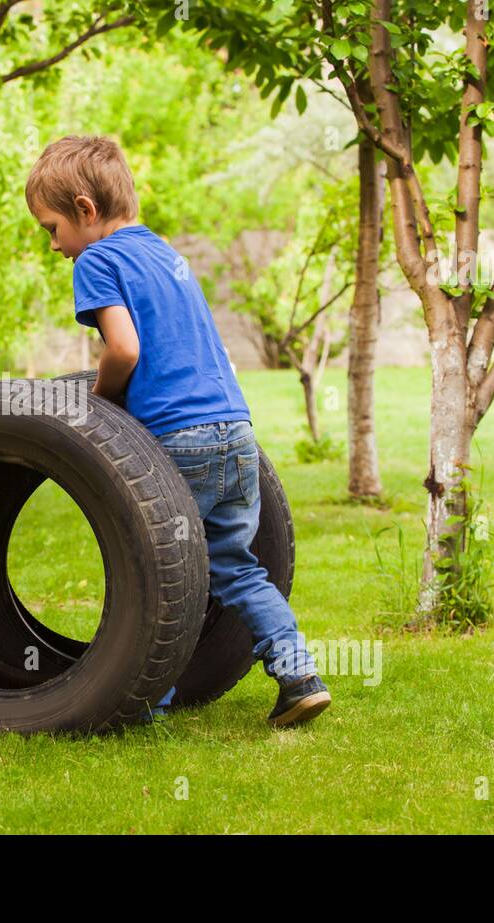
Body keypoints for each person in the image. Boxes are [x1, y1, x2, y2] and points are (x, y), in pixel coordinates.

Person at [24, 135, 331, 727]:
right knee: (233, 566)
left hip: (178, 441)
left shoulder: (97, 260)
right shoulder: (165, 253)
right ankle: (299, 674)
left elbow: (123, 348)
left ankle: (145, 703)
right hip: (236, 433)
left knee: (158, 575)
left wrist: (103, 404)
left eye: (51, 227)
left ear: (85, 211)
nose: (55, 244)